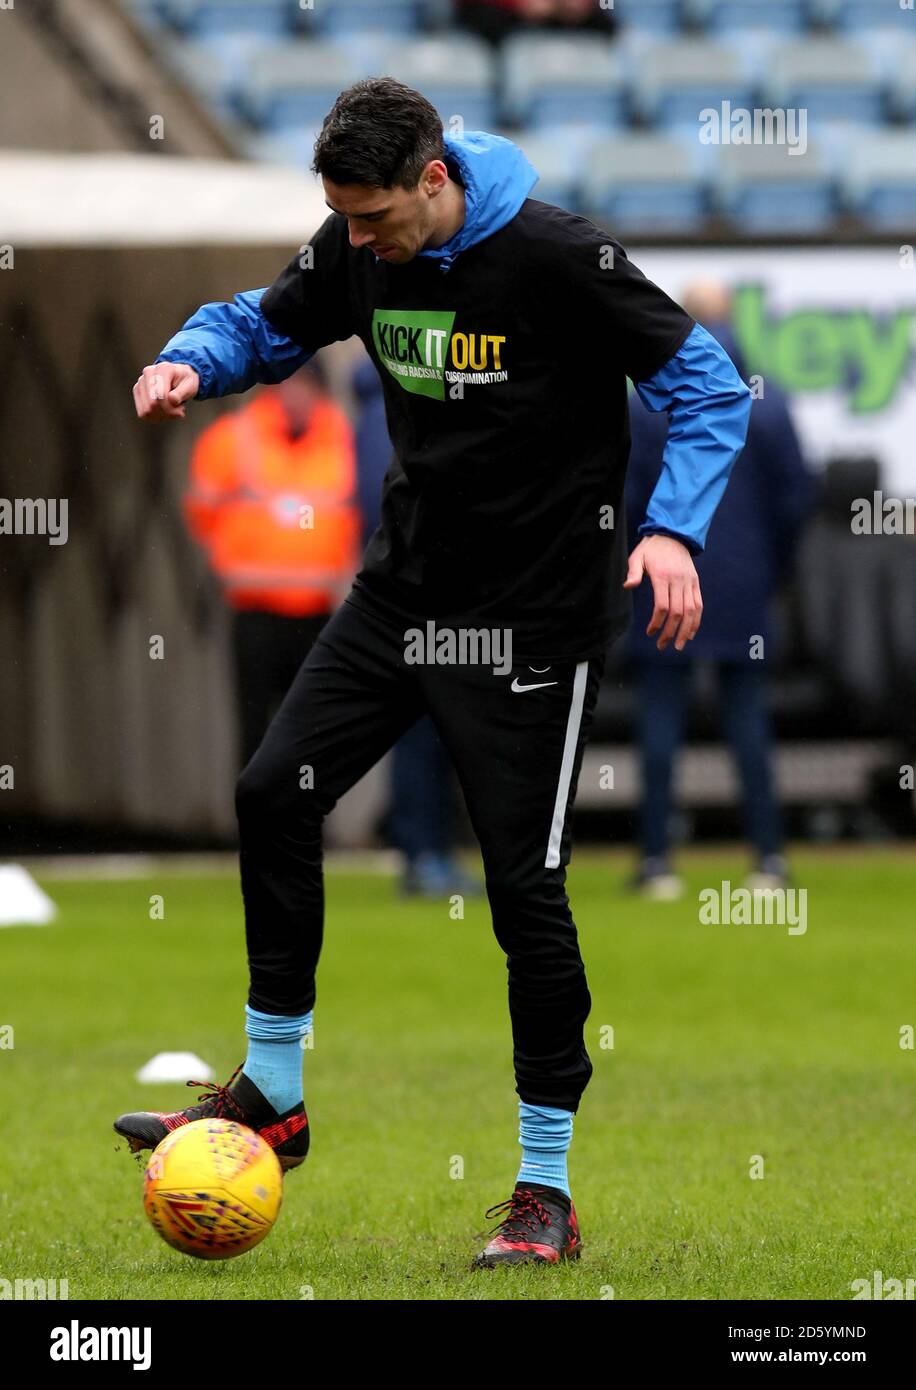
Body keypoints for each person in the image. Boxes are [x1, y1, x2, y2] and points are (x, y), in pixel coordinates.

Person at [118, 80, 750, 1268]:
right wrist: (189, 362)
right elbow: (263, 320)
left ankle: (544, 1192)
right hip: (401, 595)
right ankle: (274, 1092)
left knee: (525, 896)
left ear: (435, 179)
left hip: (532, 628)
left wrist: (672, 530)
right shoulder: (357, 238)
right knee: (273, 791)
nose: (357, 245)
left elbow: (707, 386)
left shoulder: (561, 257)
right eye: (341, 222)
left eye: (374, 221)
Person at [625, 280, 816, 898]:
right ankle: (769, 861)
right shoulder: (772, 403)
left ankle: (657, 862)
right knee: (749, 727)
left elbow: (624, 500)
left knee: (659, 726)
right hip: (743, 587)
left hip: (662, 582)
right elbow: (795, 502)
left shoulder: (643, 406)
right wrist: (773, 573)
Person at [184, 361, 360, 768]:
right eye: (289, 384)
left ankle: (306, 831)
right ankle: (257, 829)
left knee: (312, 736)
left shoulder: (340, 442)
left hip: (316, 614)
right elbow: (201, 512)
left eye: (306, 385)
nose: (296, 395)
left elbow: (357, 514)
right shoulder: (233, 440)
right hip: (255, 612)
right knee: (255, 731)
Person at [352, 354, 483, 898]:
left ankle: (427, 851)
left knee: (422, 730)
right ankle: (424, 853)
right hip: (423, 597)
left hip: (404, 593)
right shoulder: (399, 415)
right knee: (425, 732)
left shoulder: (368, 417)